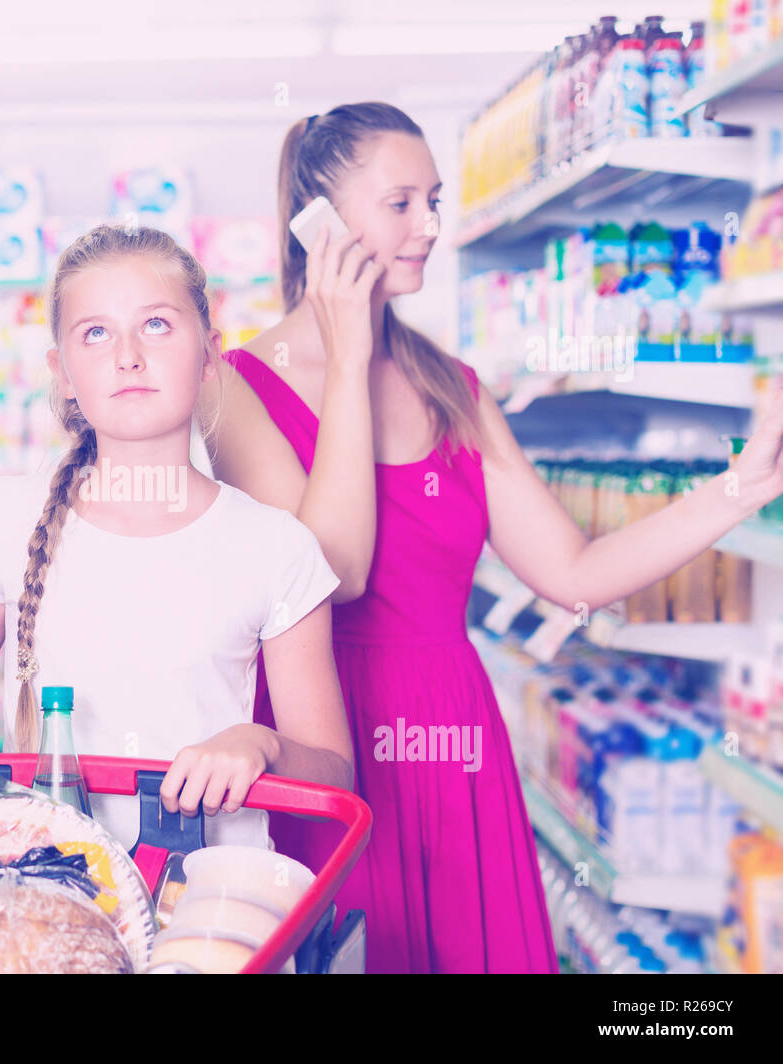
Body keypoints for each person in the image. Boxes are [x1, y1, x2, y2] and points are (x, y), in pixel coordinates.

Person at [199, 102, 783, 973]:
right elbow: (336, 570)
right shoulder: (238, 389)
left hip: (455, 735)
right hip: (330, 742)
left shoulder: (452, 385)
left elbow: (575, 574)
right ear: (316, 221)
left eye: (434, 200)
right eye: (401, 203)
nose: (431, 226)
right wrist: (349, 355)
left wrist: (740, 490)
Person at [0, 224, 353, 849]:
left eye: (158, 324)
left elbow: (334, 772)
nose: (128, 356)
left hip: (207, 903)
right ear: (62, 372)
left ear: (210, 354)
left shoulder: (275, 547)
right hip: (49, 885)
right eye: (96, 333)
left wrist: (262, 745)